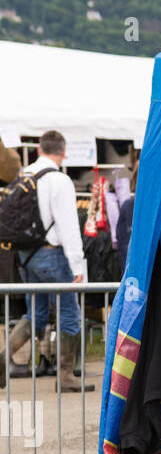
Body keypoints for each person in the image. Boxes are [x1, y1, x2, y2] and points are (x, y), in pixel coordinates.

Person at [6, 130, 92, 392]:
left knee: (36, 314)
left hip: (26, 255)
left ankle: (1, 359)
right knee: (69, 313)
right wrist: (77, 265)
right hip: (52, 255)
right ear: (63, 151)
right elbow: (68, 227)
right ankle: (66, 376)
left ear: (39, 149)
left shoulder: (25, 174)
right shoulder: (60, 180)